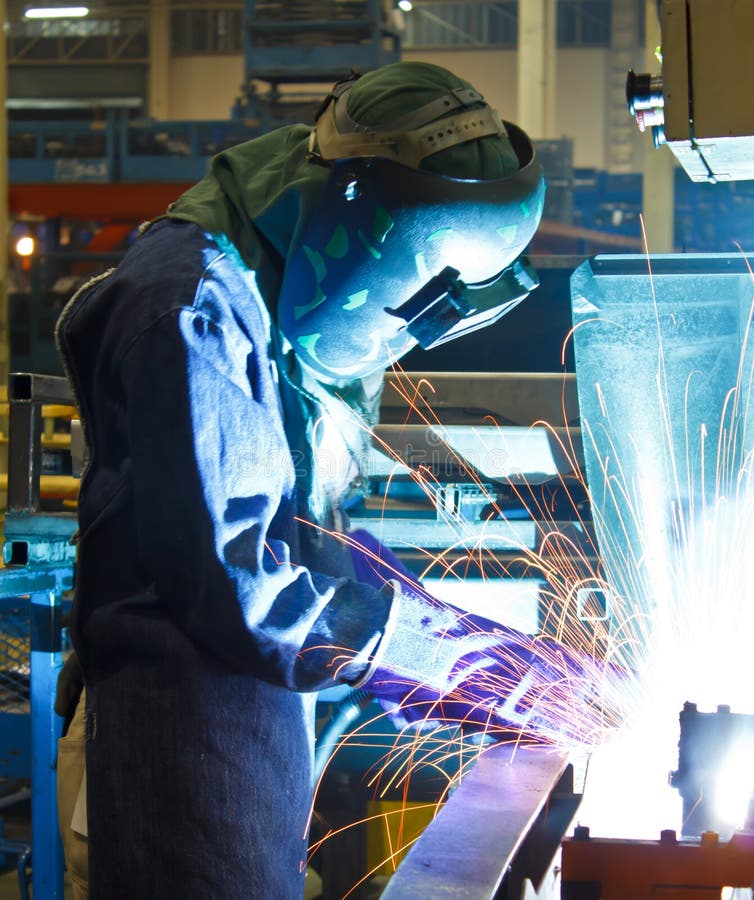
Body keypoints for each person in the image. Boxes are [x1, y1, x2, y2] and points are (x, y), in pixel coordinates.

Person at [54, 61, 603, 899]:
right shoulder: (192, 311)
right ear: (369, 226)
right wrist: (453, 661)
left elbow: (304, 530)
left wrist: (465, 646)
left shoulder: (286, 281)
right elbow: (244, 587)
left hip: (243, 714)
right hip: (173, 736)